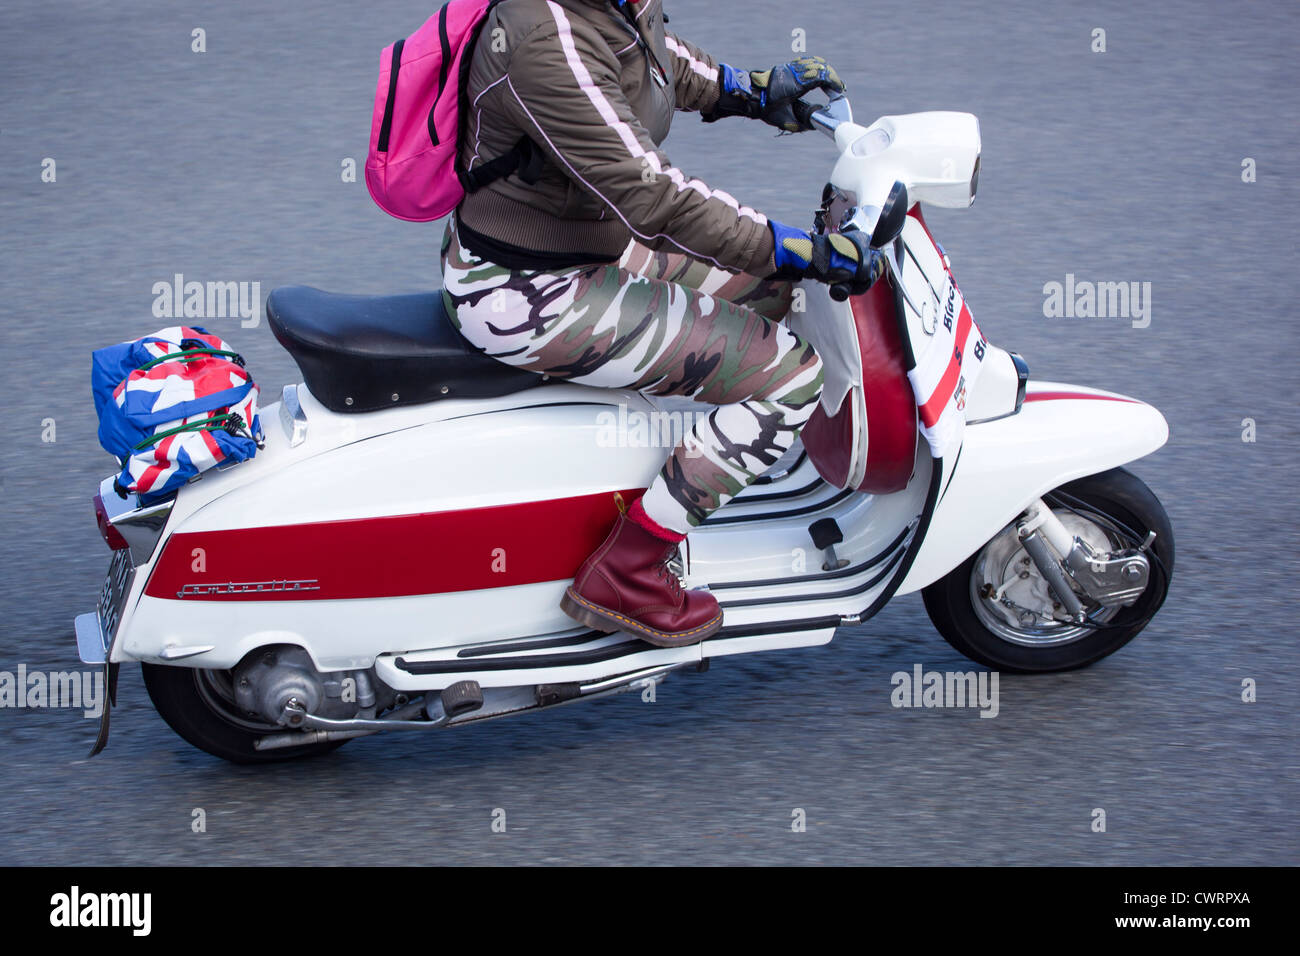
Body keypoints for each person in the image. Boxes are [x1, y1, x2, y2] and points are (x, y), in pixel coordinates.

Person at [441, 0, 883, 648]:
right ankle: (630, 570)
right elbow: (653, 196)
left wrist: (747, 90)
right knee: (791, 377)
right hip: (528, 291)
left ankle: (721, 471)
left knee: (777, 292)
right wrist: (792, 245)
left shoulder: (604, 5)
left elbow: (647, 54)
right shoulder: (543, 34)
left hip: (586, 248)